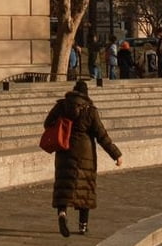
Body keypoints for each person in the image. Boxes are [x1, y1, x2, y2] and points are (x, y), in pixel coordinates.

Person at [45, 78, 123, 236]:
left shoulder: (61, 106)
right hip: (84, 154)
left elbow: (47, 124)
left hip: (64, 151)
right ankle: (83, 225)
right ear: (86, 94)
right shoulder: (90, 110)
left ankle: (62, 213)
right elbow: (101, 135)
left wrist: (62, 126)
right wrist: (116, 154)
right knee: (85, 188)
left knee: (64, 185)